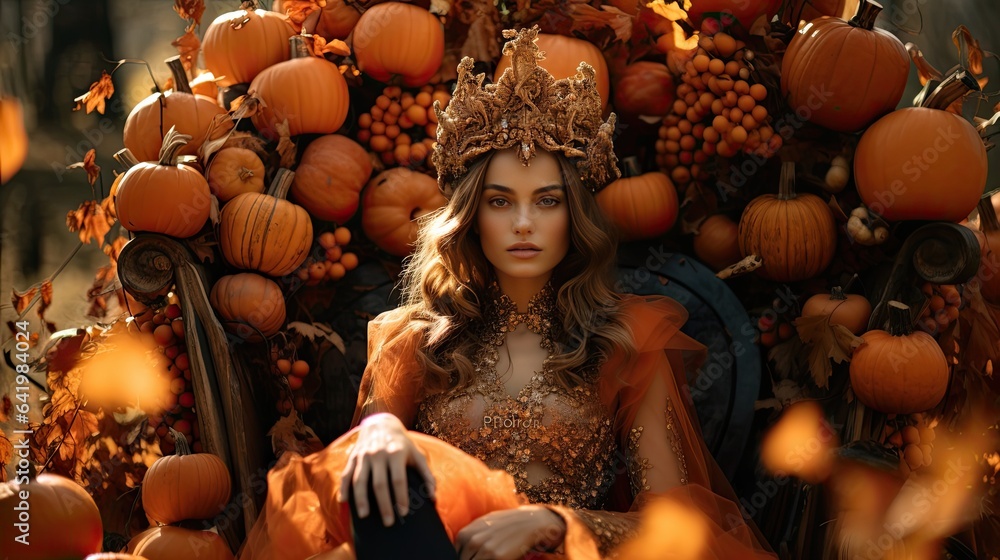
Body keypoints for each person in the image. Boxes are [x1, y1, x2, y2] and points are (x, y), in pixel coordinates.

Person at [239, 26, 777, 560]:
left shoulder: (624, 341)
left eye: (546, 201)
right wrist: (377, 431)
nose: (523, 224)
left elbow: (673, 521)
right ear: (472, 220)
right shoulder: (416, 340)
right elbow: (365, 492)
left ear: (574, 217)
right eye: (500, 203)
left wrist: (554, 524)